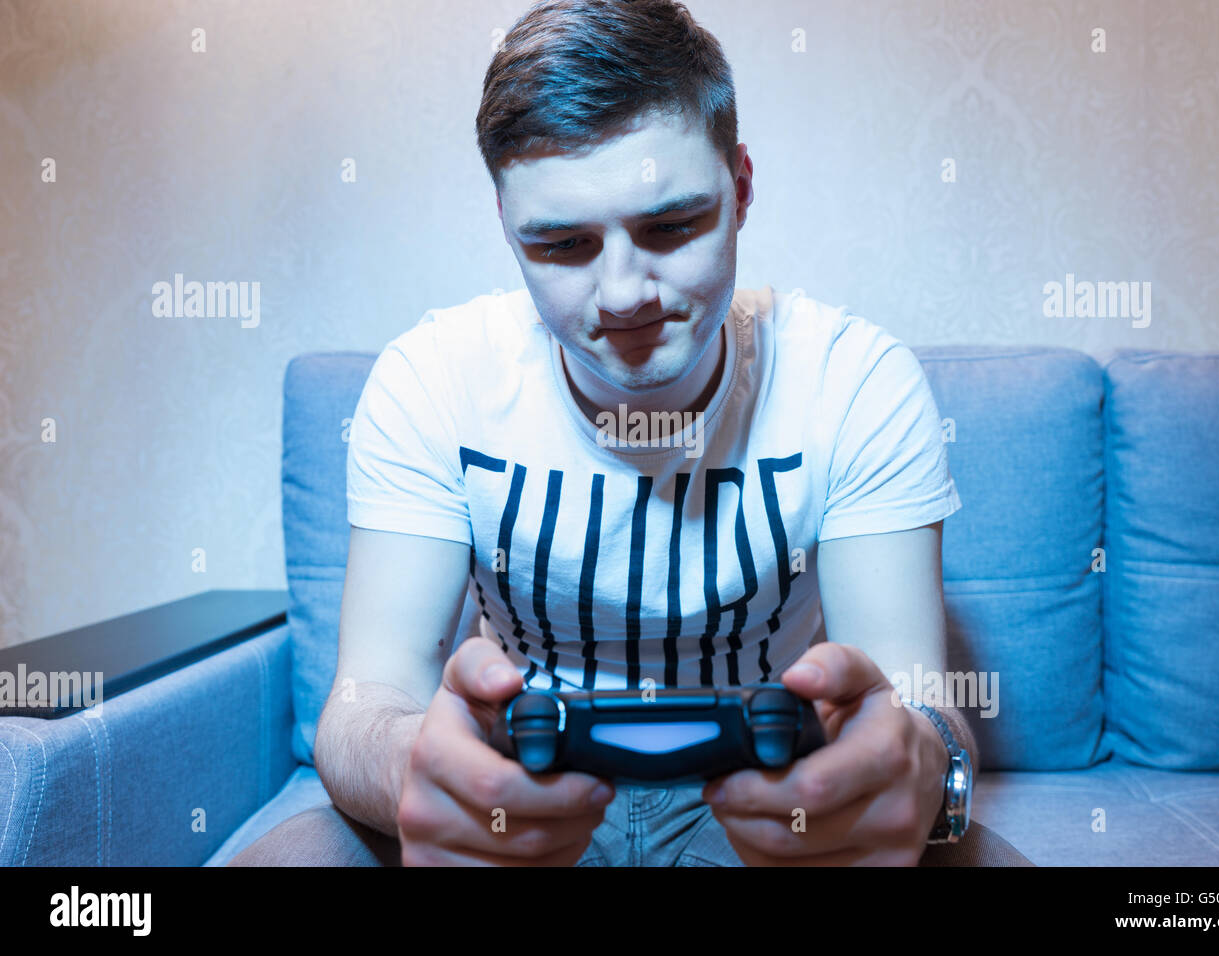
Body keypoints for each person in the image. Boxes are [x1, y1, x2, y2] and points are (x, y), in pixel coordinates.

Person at [231, 0, 1032, 867]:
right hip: (522, 798)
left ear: (743, 189)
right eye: (565, 244)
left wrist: (917, 767)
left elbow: (917, 699)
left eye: (670, 226)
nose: (624, 296)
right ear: (505, 227)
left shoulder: (856, 381)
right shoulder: (431, 380)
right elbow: (366, 696)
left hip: (765, 808)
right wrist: (413, 771)